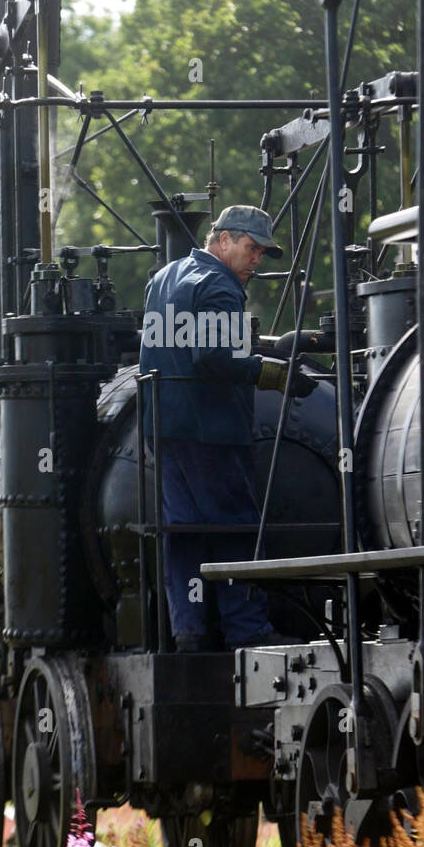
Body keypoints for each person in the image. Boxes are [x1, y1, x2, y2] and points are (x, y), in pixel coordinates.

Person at [139, 204, 316, 651]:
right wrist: (278, 376)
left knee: (183, 533)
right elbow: (216, 357)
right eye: (250, 248)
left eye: (260, 253)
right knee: (234, 527)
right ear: (222, 240)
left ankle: (189, 632)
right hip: (210, 430)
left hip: (164, 426)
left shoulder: (164, 278)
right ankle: (247, 632)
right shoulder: (220, 285)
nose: (255, 260)